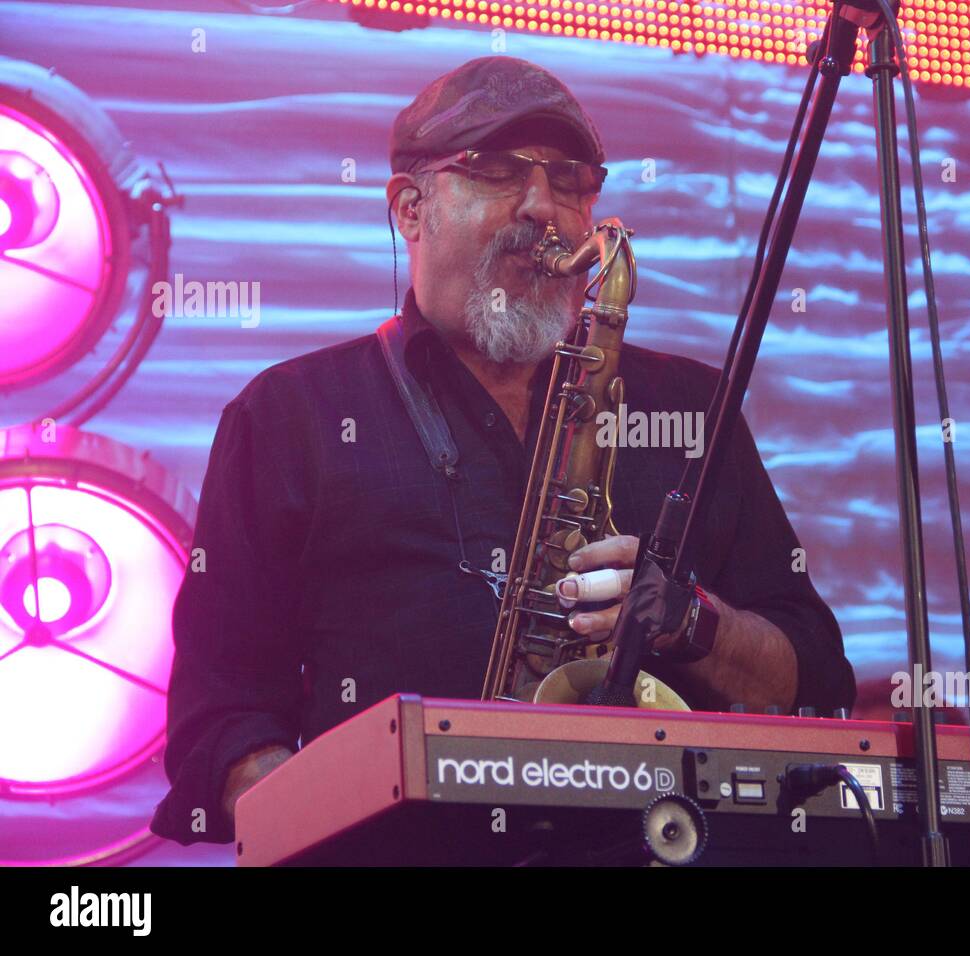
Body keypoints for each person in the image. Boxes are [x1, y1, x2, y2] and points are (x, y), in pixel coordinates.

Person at [150, 56, 855, 846]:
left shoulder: (691, 407)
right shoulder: (288, 417)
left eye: (571, 179)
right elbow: (223, 722)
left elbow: (817, 680)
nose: (543, 208)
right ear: (409, 209)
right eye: (494, 171)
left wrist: (688, 620)